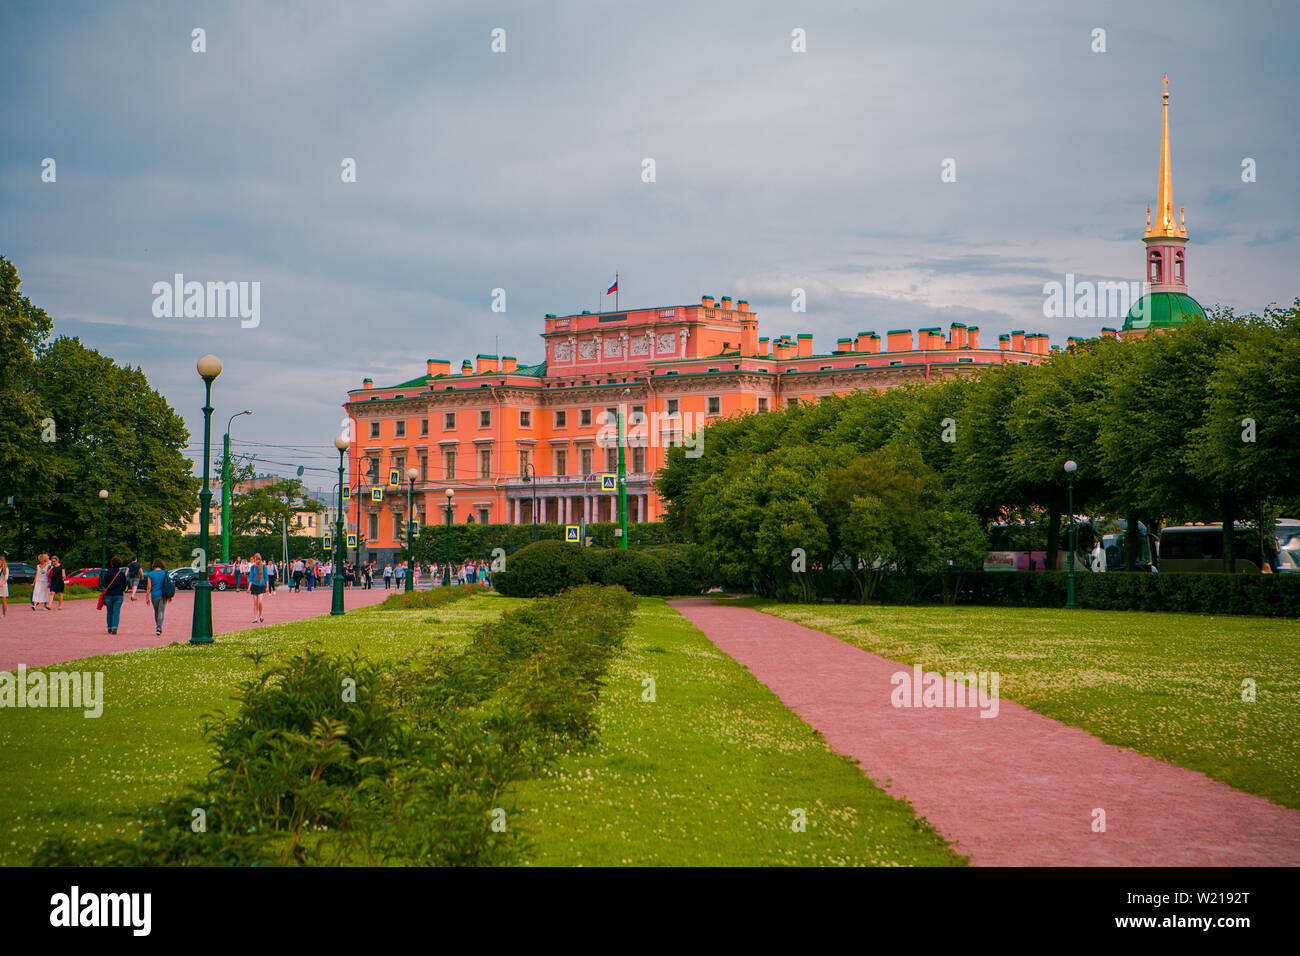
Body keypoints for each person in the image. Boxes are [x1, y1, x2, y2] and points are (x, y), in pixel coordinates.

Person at [100, 556, 128, 634]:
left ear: (112, 564)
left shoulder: (107, 572)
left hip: (109, 595)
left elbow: (104, 584)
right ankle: (115, 627)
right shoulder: (122, 574)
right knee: (116, 611)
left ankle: (109, 627)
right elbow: (124, 586)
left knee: (109, 611)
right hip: (118, 595)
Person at [143, 558, 170, 636]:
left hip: (154, 595)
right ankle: (159, 627)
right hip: (163, 594)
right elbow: (168, 585)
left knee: (156, 611)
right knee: (161, 611)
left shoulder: (150, 574)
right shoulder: (165, 573)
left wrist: (147, 597)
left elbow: (149, 587)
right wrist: (170, 596)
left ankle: (158, 626)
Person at [248, 553, 268, 622]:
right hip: (254, 586)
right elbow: (251, 578)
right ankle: (255, 618)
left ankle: (261, 615)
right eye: (255, 559)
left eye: (258, 559)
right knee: (255, 602)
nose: (257, 561)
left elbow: (266, 577)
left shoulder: (263, 566)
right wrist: (249, 588)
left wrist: (267, 586)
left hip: (261, 586)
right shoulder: (252, 567)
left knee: (260, 601)